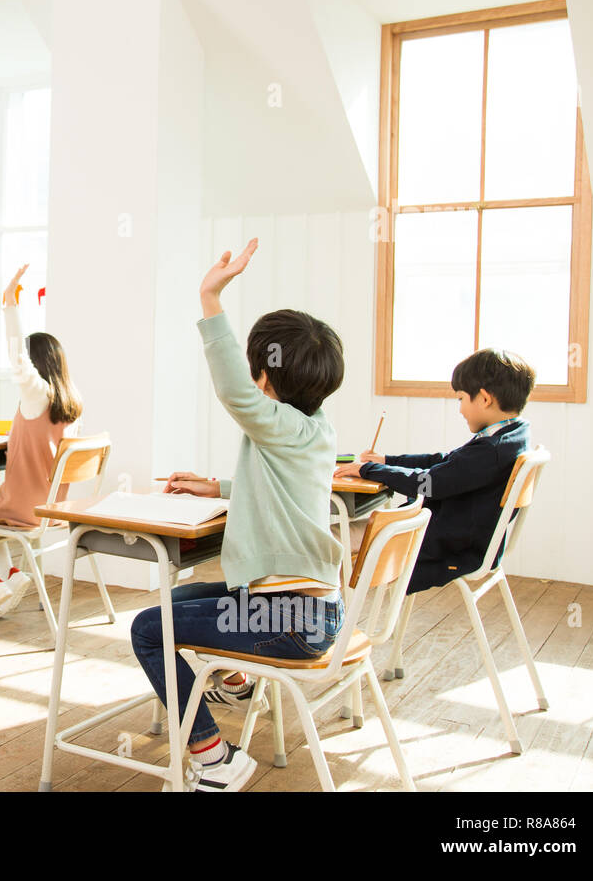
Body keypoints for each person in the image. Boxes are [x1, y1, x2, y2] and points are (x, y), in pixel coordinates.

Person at [130, 238, 347, 792]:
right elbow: (280, 486)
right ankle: (235, 677)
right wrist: (216, 486)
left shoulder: (276, 421)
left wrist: (211, 297)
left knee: (149, 630)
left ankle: (214, 757)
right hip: (304, 612)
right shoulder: (314, 428)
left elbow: (232, 390)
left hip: (287, 622)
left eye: (258, 371)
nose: (252, 380)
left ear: (268, 382)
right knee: (175, 601)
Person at [334, 349, 533, 594]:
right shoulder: (510, 438)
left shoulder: (491, 451)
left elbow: (430, 483)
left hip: (443, 545)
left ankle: (317, 621)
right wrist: (386, 461)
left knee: (332, 538)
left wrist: (369, 469)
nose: (460, 409)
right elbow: (444, 461)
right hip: (464, 542)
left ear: (484, 399)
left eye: (461, 399)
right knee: (342, 536)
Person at [0, 264, 84, 627]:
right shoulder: (71, 403)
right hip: (53, 507)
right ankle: (9, 575)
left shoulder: (37, 396)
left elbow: (17, 362)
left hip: (24, 509)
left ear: (37, 365)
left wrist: (10, 306)